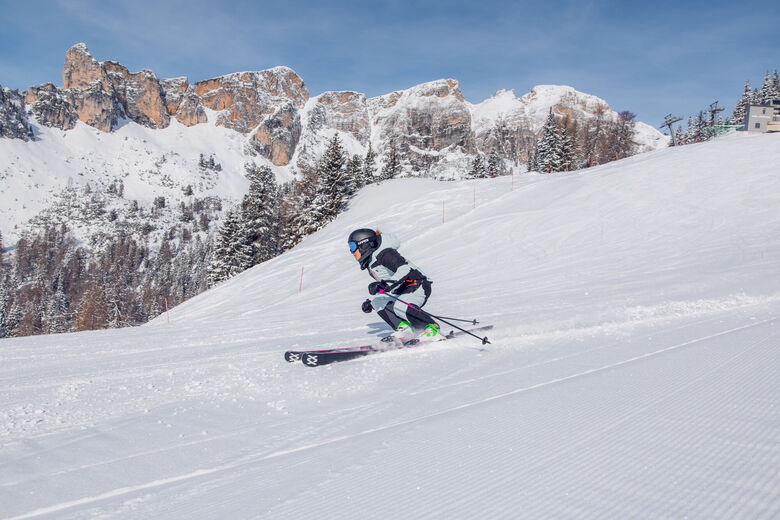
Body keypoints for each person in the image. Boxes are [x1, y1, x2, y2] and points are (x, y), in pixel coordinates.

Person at [348, 228, 440, 343]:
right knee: (377, 301)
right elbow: (389, 284)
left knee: (401, 306)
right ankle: (406, 330)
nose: (351, 252)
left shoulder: (384, 253)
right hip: (402, 289)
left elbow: (404, 268)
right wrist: (371, 300)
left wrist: (384, 285)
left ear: (364, 244)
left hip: (417, 283)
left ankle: (432, 329)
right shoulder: (371, 260)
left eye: (352, 246)